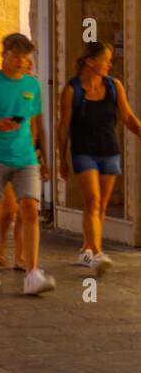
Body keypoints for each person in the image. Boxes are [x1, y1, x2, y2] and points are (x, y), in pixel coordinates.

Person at [0, 33, 54, 295]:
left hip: (26, 157)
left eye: (25, 57)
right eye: (15, 56)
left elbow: (37, 124)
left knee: (29, 209)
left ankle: (32, 273)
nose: (20, 61)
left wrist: (46, 159)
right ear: (4, 55)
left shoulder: (32, 85)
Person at [58, 41, 141, 276]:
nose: (109, 64)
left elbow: (127, 117)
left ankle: (86, 249)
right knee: (92, 201)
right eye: (106, 60)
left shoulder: (114, 86)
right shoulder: (72, 90)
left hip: (110, 152)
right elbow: (63, 127)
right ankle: (97, 253)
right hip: (83, 153)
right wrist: (61, 158)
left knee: (101, 205)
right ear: (90, 62)